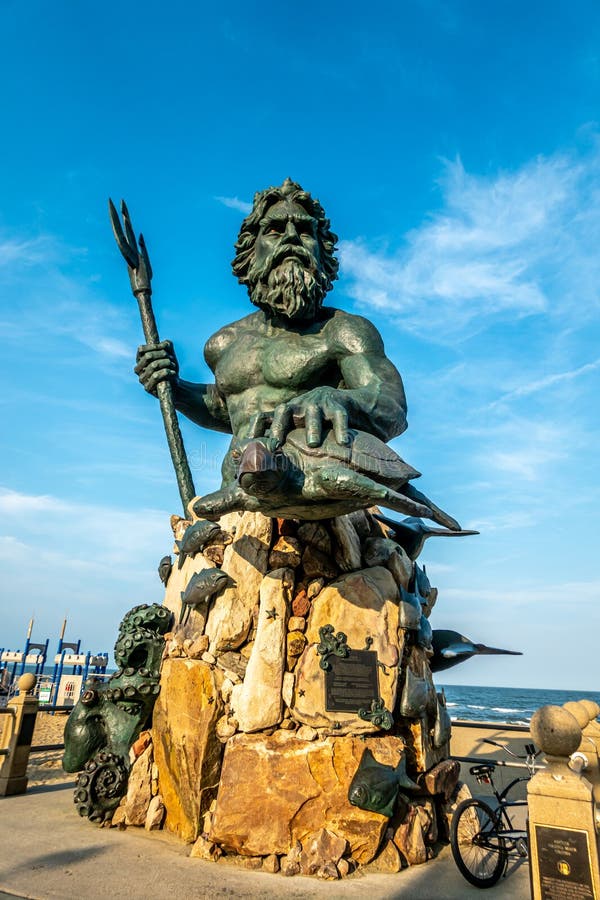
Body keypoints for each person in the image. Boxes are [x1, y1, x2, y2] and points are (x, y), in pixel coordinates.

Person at [135, 178, 407, 466]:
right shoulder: (223, 343)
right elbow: (230, 407)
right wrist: (173, 388)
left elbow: (391, 407)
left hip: (324, 496)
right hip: (244, 493)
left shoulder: (343, 331)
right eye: (275, 231)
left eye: (304, 231)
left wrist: (340, 399)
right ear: (251, 252)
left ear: (321, 252)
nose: (291, 238)